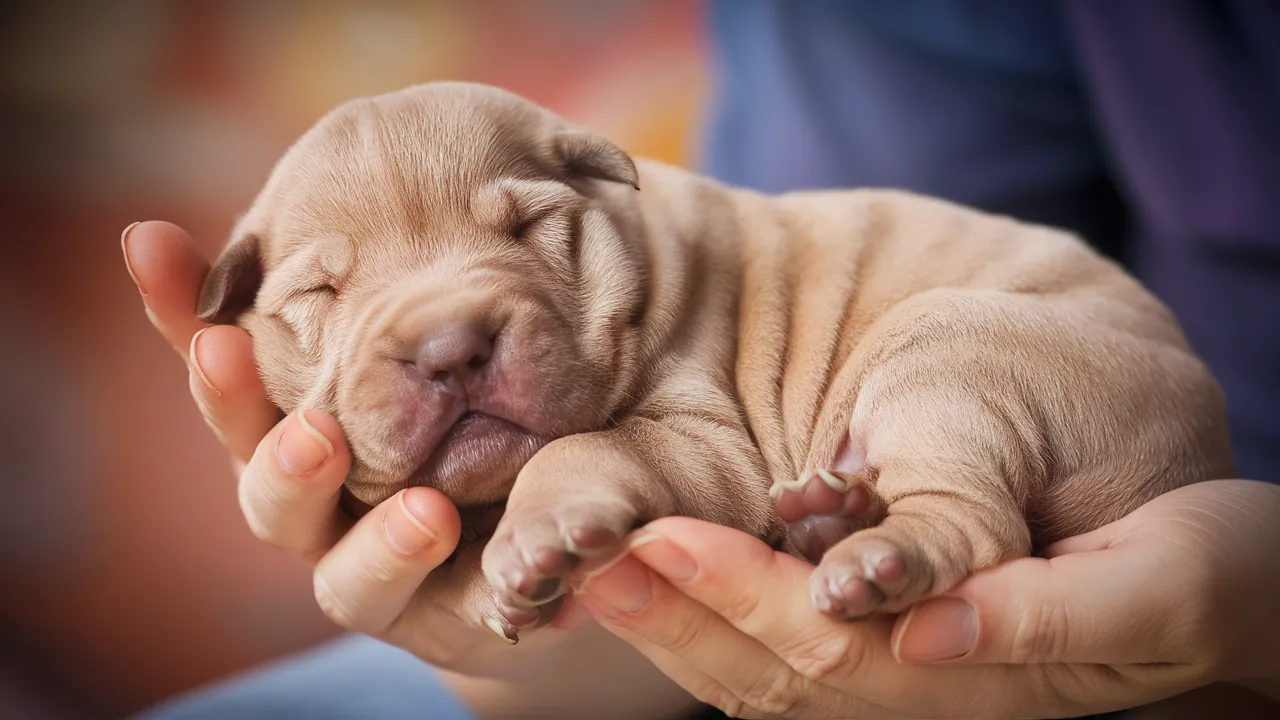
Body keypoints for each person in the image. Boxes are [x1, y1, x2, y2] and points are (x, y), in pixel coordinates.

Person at [128, 1, 1280, 718]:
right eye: (323, 296)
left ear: (598, 180)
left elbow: (704, 458)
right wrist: (540, 665)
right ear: (246, 303)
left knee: (938, 352)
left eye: (526, 230)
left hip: (1106, 443)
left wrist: (562, 501)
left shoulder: (676, 299)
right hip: (755, 644)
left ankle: (940, 521)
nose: (446, 337)